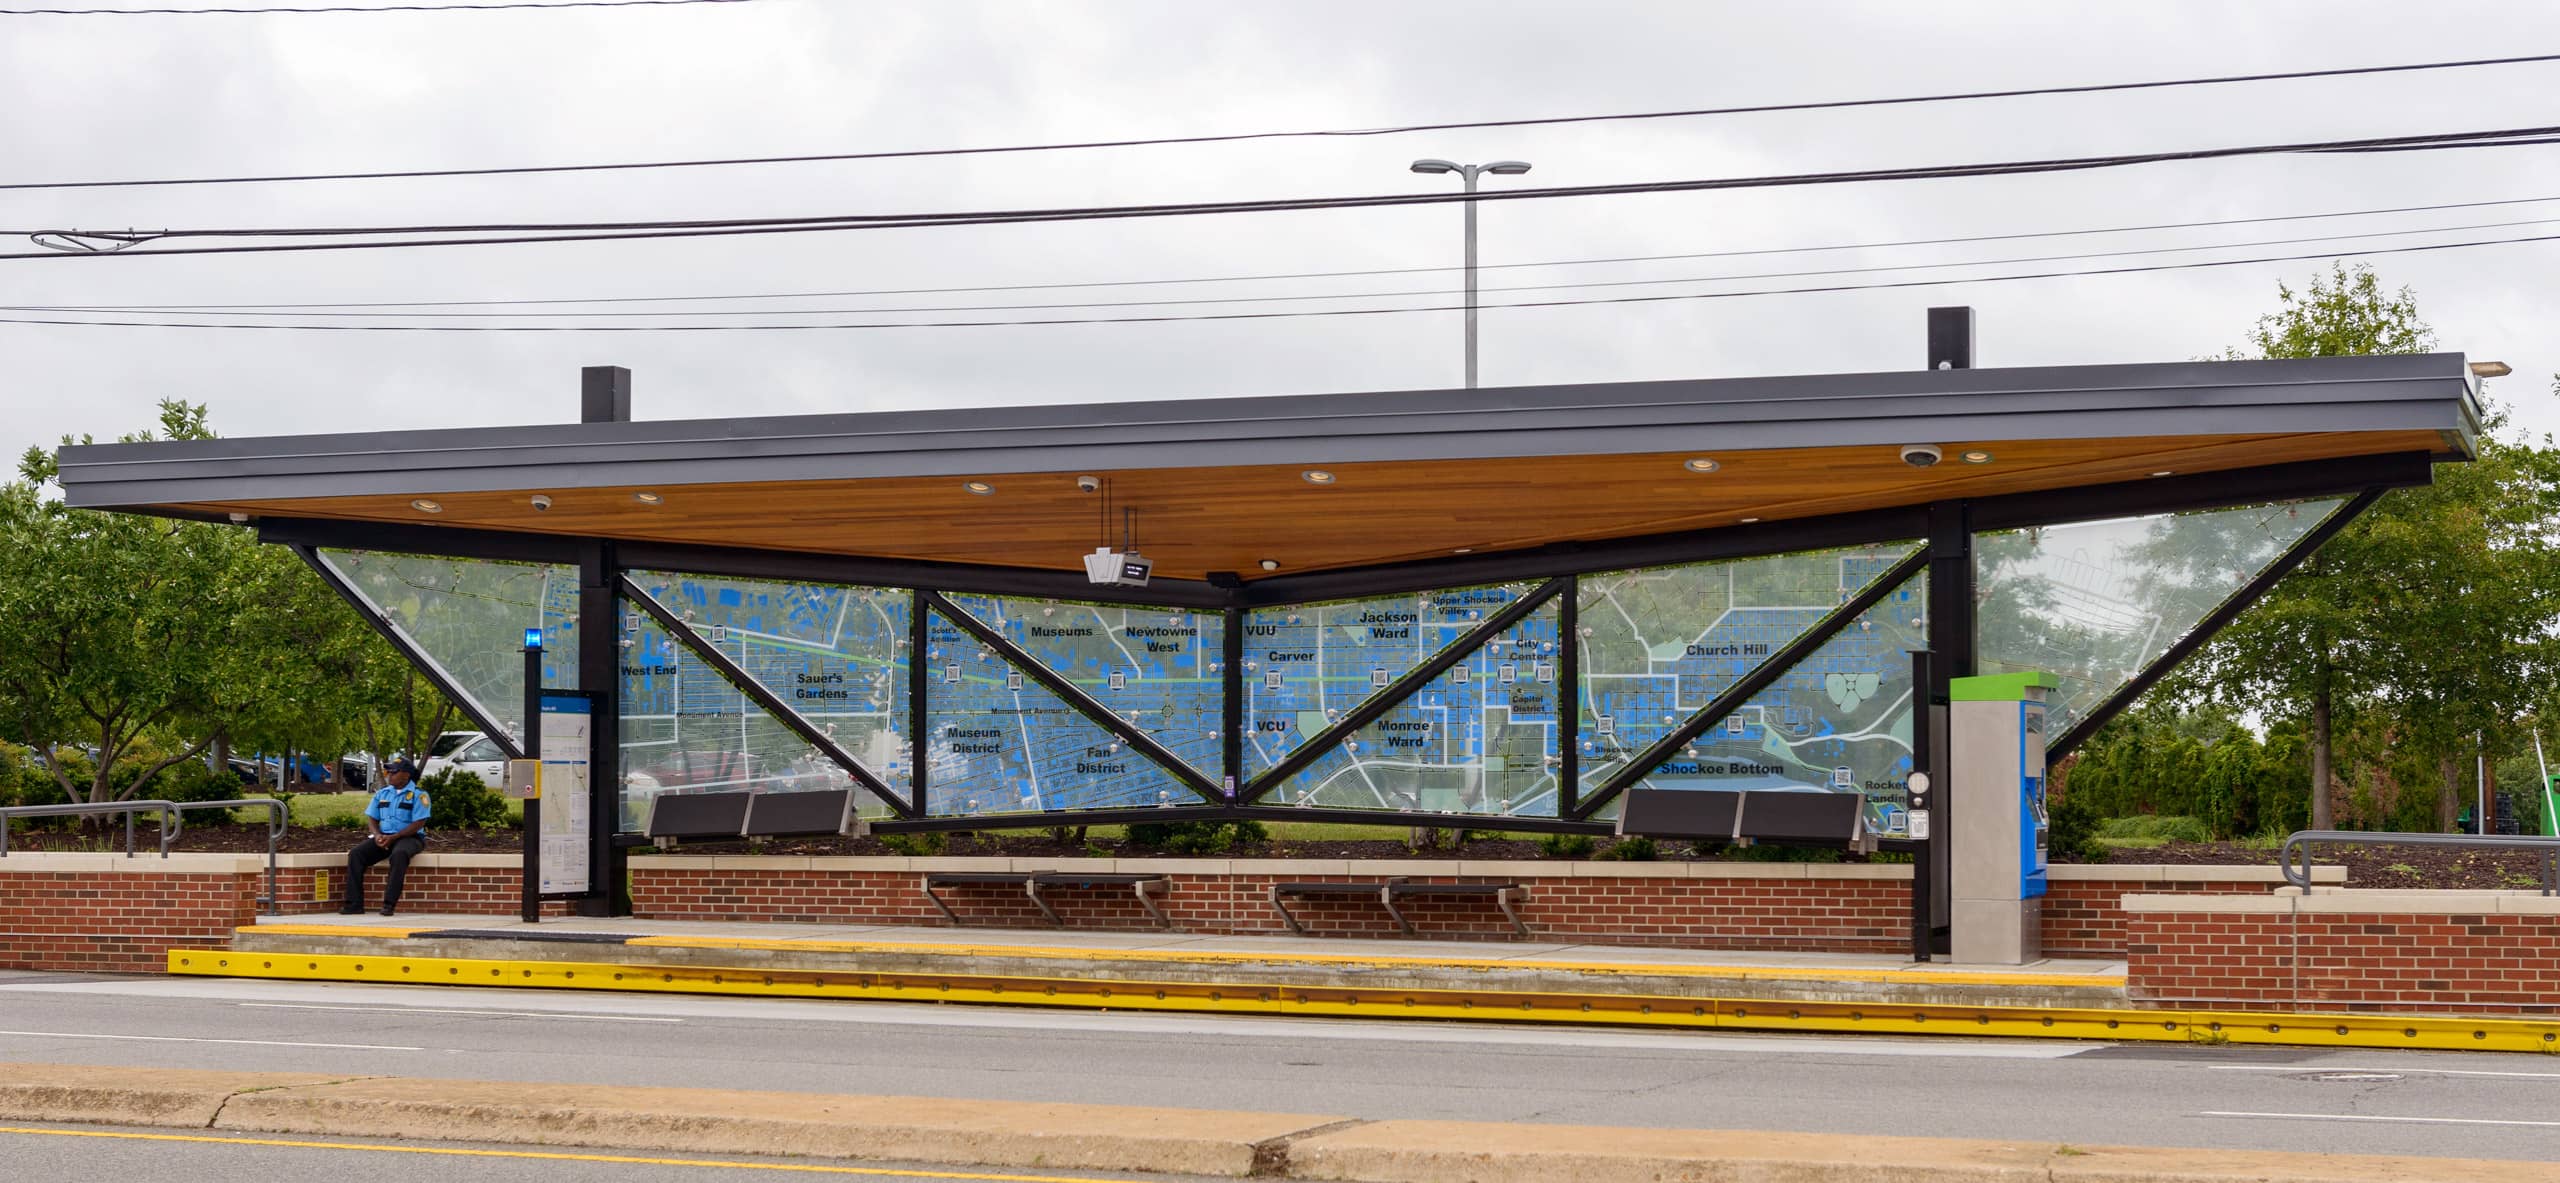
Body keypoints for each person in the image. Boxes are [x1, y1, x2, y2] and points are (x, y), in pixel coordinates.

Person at [342, 759, 431, 917]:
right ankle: (354, 904)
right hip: (384, 837)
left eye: (394, 772)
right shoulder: (383, 793)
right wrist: (377, 835)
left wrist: (395, 837)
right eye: (388, 772)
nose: (389, 775)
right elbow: (372, 818)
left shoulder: (419, 795)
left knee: (399, 855)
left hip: (410, 837)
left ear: (406, 775)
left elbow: (419, 823)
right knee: (356, 854)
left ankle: (389, 905)